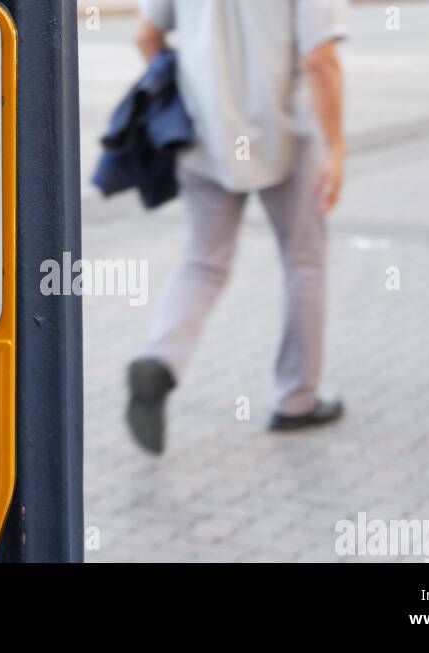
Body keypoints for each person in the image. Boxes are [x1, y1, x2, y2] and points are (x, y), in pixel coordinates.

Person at [127, 0, 349, 454]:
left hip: (203, 132)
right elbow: (319, 59)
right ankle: (296, 400)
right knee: (304, 263)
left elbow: (146, 35)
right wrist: (337, 148)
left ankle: (160, 362)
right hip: (287, 135)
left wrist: (187, 88)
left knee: (203, 264)